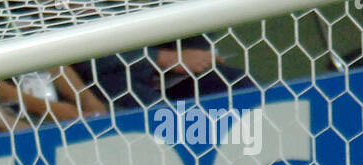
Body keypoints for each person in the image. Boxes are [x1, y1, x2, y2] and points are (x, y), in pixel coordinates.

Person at [74, 34, 254, 112]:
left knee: (239, 86)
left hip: (175, 69)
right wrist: (160, 58)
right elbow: (79, 58)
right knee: (161, 114)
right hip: (107, 78)